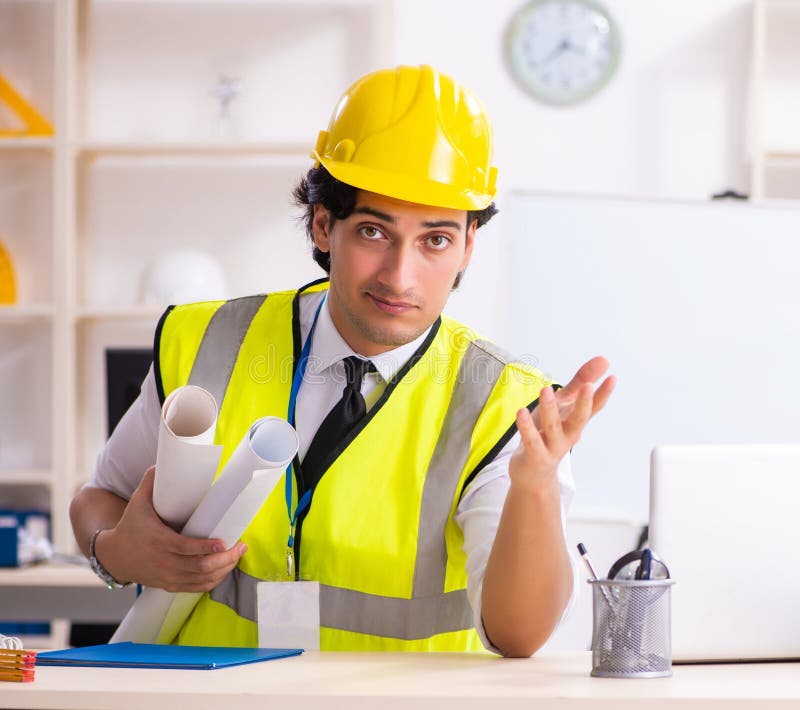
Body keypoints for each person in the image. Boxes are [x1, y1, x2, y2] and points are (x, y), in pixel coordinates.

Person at [69, 65, 615, 657]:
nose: (400, 277)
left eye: (435, 240)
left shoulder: (508, 407)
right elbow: (100, 498)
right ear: (325, 225)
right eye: (375, 233)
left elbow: (519, 634)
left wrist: (534, 487)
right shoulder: (209, 341)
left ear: (467, 246)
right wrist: (116, 551)